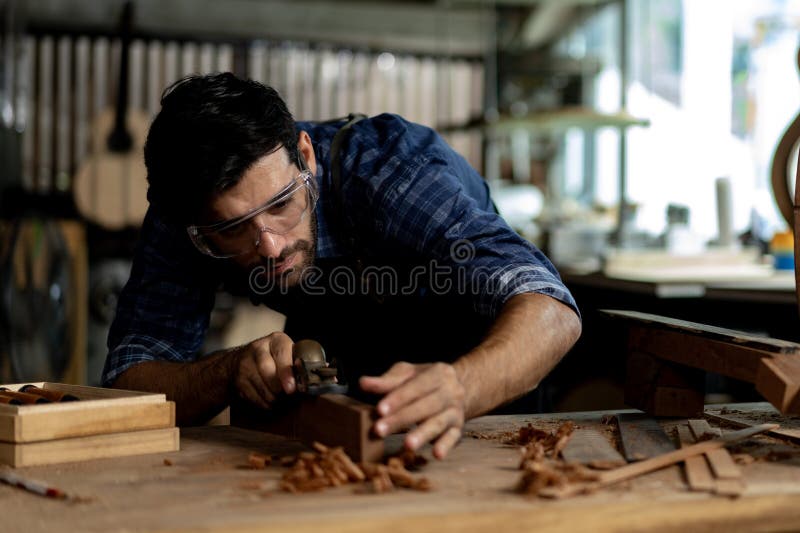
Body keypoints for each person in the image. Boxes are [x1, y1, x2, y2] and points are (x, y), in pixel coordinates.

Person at [103, 72, 581, 459]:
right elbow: (129, 380)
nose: (270, 246)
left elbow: (553, 311)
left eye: (282, 204)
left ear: (306, 157)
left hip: (483, 388)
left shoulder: (392, 177)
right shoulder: (188, 211)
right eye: (234, 230)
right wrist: (227, 371)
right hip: (348, 398)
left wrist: (464, 386)